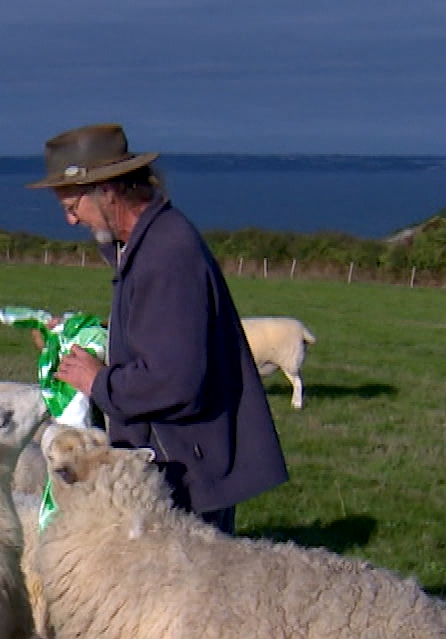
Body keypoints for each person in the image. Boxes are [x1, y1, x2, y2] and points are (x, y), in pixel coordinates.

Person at [33, 122, 287, 533]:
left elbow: (175, 380)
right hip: (180, 461)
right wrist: (84, 334)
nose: (70, 220)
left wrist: (98, 382)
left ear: (107, 191)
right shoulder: (145, 244)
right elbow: (160, 335)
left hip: (186, 473)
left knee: (185, 594)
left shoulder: (166, 254)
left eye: (72, 205)